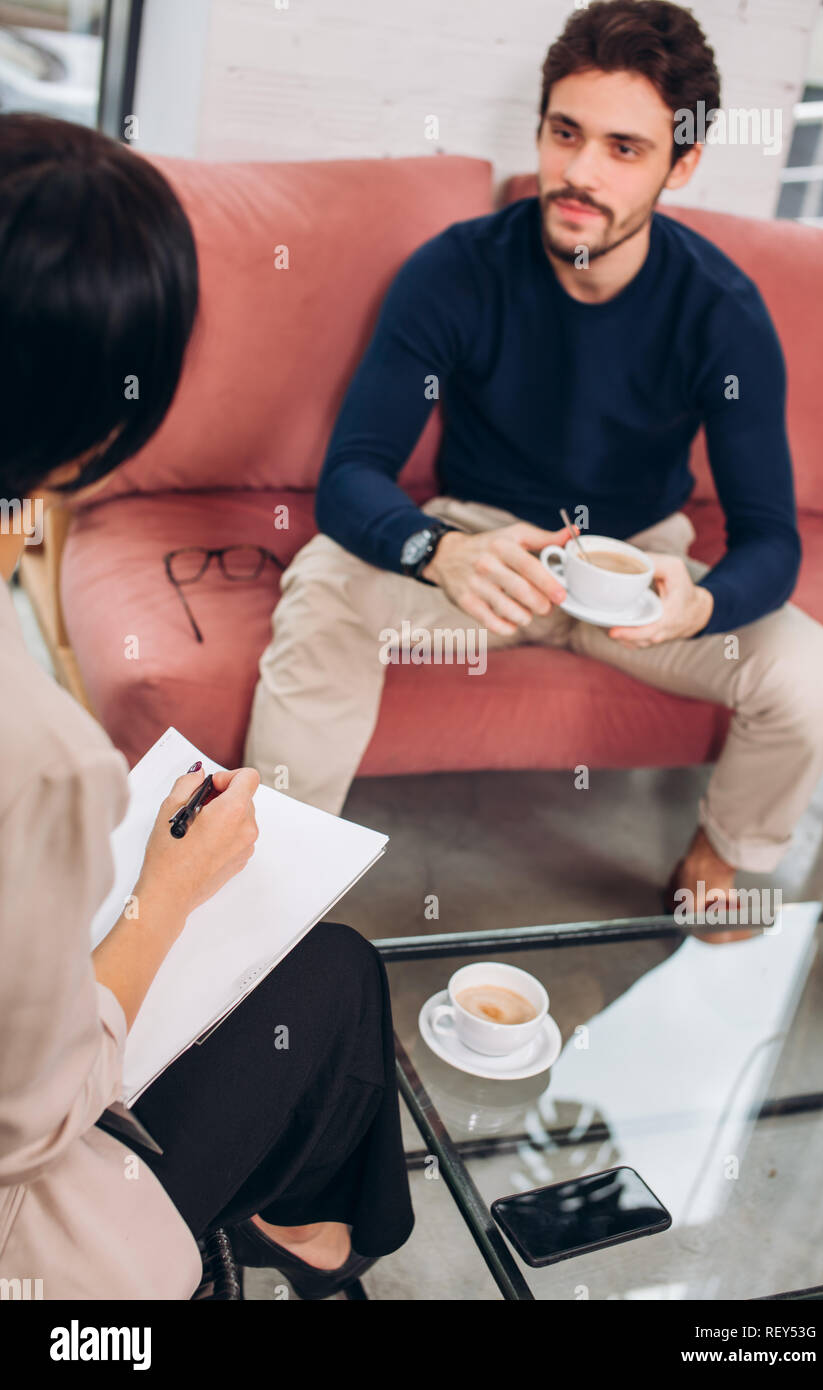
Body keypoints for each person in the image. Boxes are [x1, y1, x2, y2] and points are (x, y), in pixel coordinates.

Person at [245, 0, 823, 931]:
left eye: (624, 148)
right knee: (324, 583)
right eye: (566, 133)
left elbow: (769, 537)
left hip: (634, 573)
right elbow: (350, 478)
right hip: (480, 552)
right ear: (540, 126)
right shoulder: (454, 270)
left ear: (680, 164)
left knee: (811, 676)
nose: (577, 172)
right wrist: (436, 550)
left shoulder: (723, 313)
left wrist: (702, 604)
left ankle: (723, 855)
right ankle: (266, 880)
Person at [0, 113, 413, 1301]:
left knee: (330, 979)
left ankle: (316, 1239)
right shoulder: (44, 759)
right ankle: (306, 1250)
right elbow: (29, 1119)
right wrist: (158, 901)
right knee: (333, 981)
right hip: (42, 1252)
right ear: (93, 440)